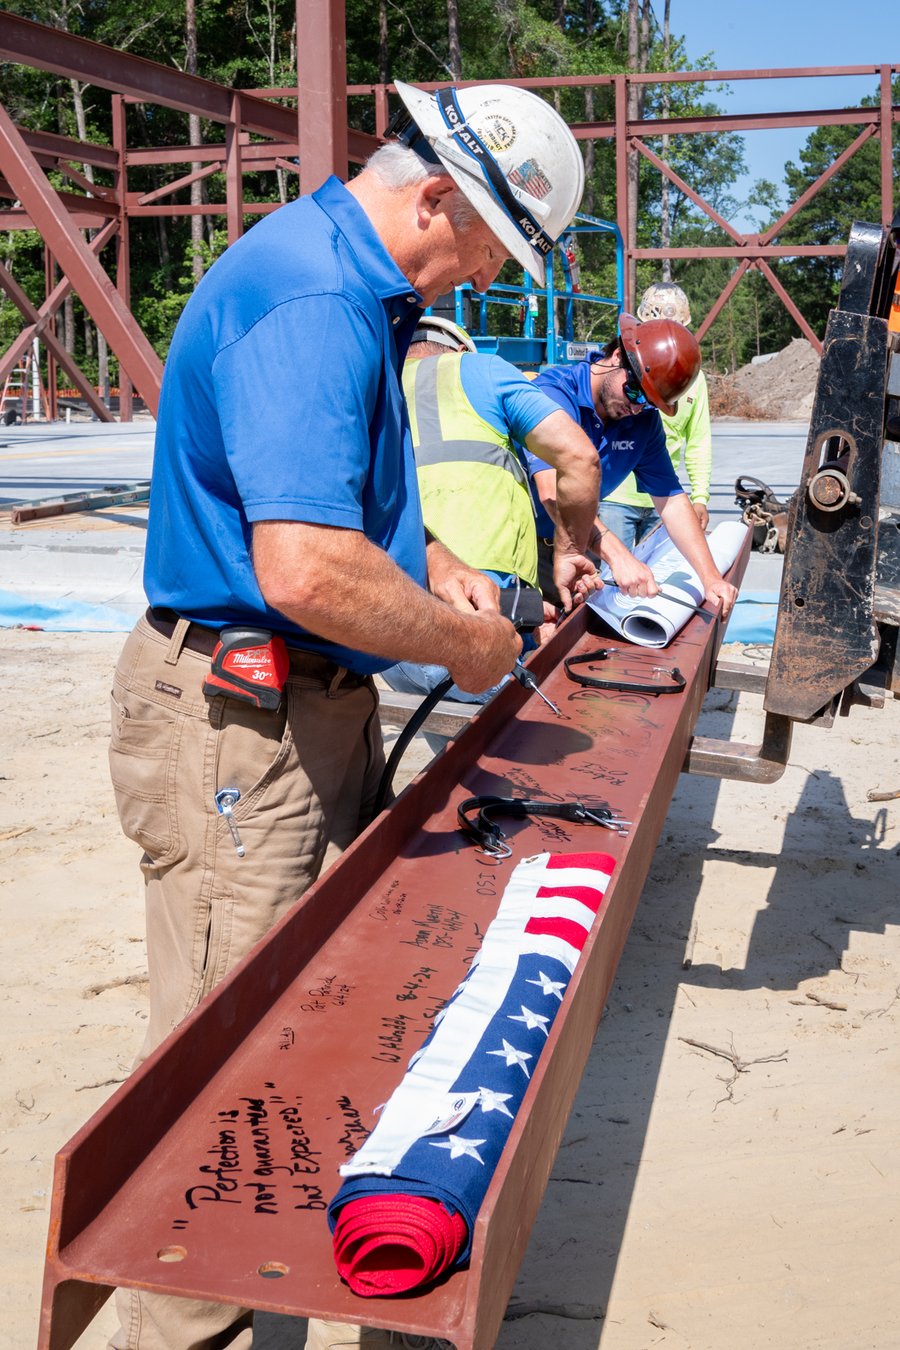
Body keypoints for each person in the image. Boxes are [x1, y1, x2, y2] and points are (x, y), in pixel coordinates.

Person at [106, 79, 586, 1350]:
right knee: (219, 1068)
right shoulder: (321, 301)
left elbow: (326, 501)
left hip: (295, 711)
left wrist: (426, 556)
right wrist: (477, 642)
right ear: (437, 194)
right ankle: (182, 1314)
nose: (475, 279)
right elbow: (304, 568)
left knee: (314, 1001)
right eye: (483, 250)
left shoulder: (342, 278)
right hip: (240, 727)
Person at [381, 313, 599, 713]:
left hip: (395, 641)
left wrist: (535, 609)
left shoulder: (379, 387)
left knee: (454, 763)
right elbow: (581, 458)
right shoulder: (483, 371)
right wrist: (569, 552)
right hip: (479, 630)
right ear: (461, 350)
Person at [527, 312, 738, 619]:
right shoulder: (554, 395)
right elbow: (552, 491)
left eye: (649, 402)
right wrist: (618, 555)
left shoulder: (642, 421)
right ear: (616, 357)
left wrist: (711, 578)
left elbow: (671, 498)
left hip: (578, 546)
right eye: (635, 391)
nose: (637, 407)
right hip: (522, 546)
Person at [597, 281, 712, 549]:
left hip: (665, 500)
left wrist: (699, 497)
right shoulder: (620, 370)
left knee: (656, 582)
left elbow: (698, 441)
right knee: (611, 578)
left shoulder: (693, 380)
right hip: (616, 497)